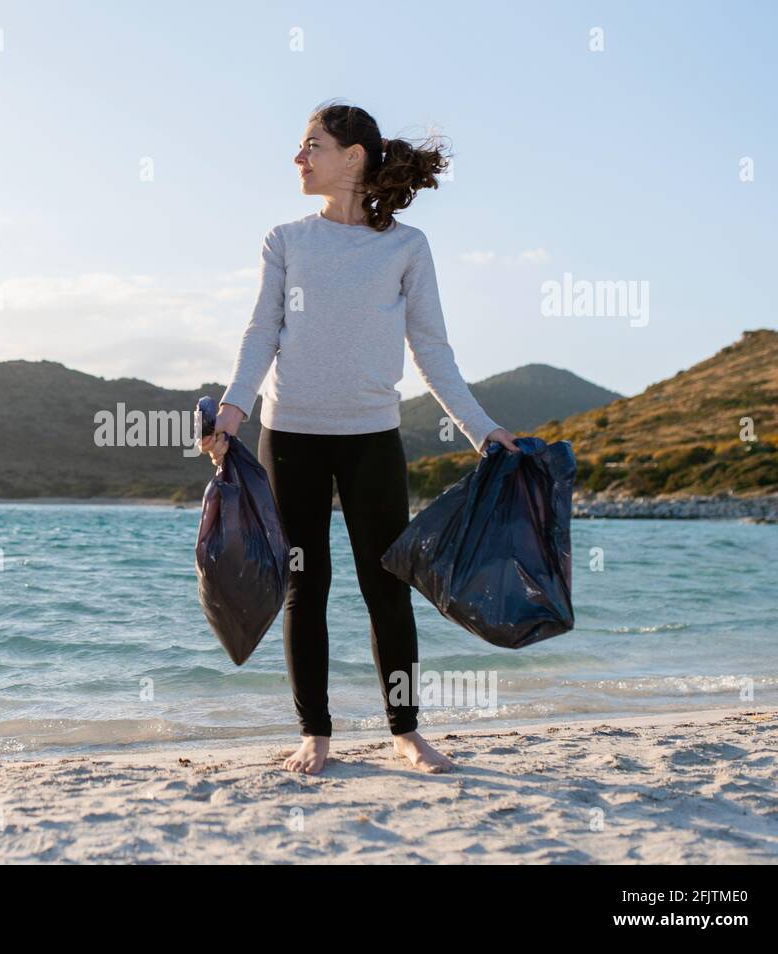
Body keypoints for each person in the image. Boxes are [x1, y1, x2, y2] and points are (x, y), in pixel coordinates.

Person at [198, 99, 521, 775]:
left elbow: (432, 349)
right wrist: (234, 409)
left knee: (387, 587)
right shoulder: (285, 240)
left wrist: (481, 429)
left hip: (373, 438)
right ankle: (315, 733)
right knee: (303, 584)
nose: (298, 156)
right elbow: (262, 332)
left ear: (353, 157)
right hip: (292, 438)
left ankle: (406, 732)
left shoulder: (406, 248)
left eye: (311, 143)